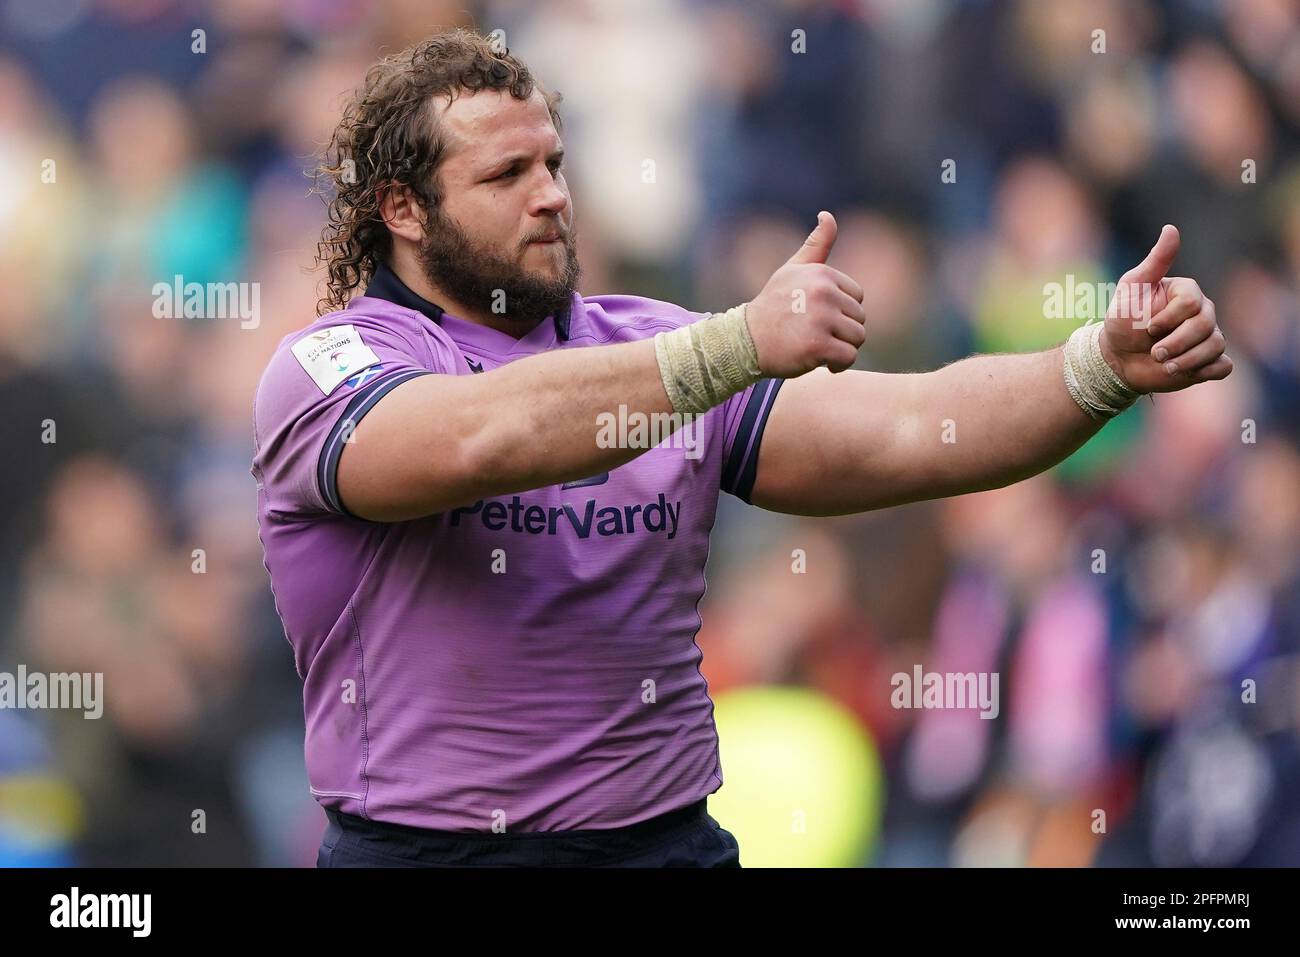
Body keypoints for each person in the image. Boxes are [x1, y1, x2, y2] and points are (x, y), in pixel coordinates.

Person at [251, 28, 1231, 867]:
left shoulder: (655, 344)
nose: (549, 195)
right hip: (432, 853)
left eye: (553, 163)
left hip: (662, 842)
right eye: (506, 175)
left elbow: (910, 430)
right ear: (401, 210)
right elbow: (474, 437)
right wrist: (729, 345)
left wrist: (1099, 366)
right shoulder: (332, 365)